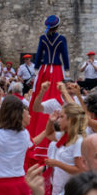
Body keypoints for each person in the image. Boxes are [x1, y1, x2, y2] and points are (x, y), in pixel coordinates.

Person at [26, 15, 69, 168]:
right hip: (57, 69)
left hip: (44, 69)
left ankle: (37, 134)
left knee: (42, 94)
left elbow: (38, 55)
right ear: (57, 26)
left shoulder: (43, 38)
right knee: (56, 93)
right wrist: (68, 70)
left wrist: (37, 70)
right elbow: (64, 55)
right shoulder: (61, 38)